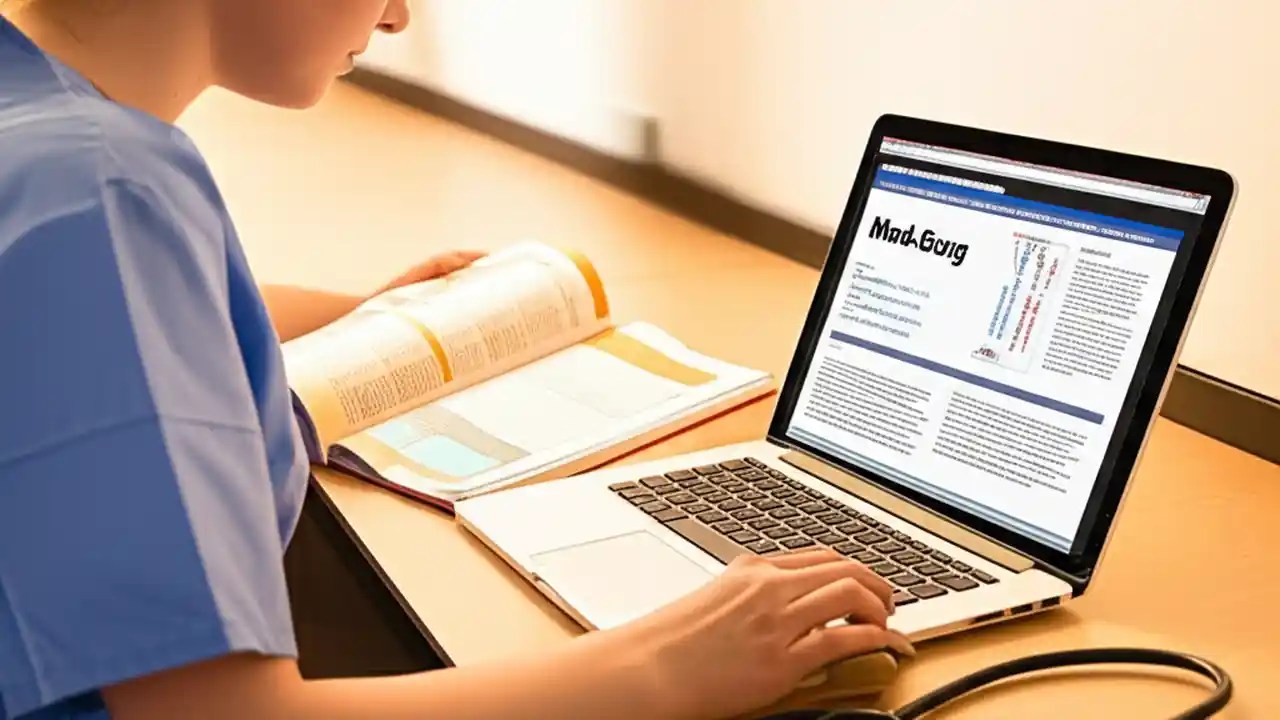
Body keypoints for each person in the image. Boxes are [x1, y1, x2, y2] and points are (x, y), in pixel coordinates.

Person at [0, 1, 912, 718]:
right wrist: (664, 667)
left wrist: (376, 313)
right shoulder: (106, 190)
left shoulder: (44, 125)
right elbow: (212, 715)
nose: (399, 15)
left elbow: (82, 314)